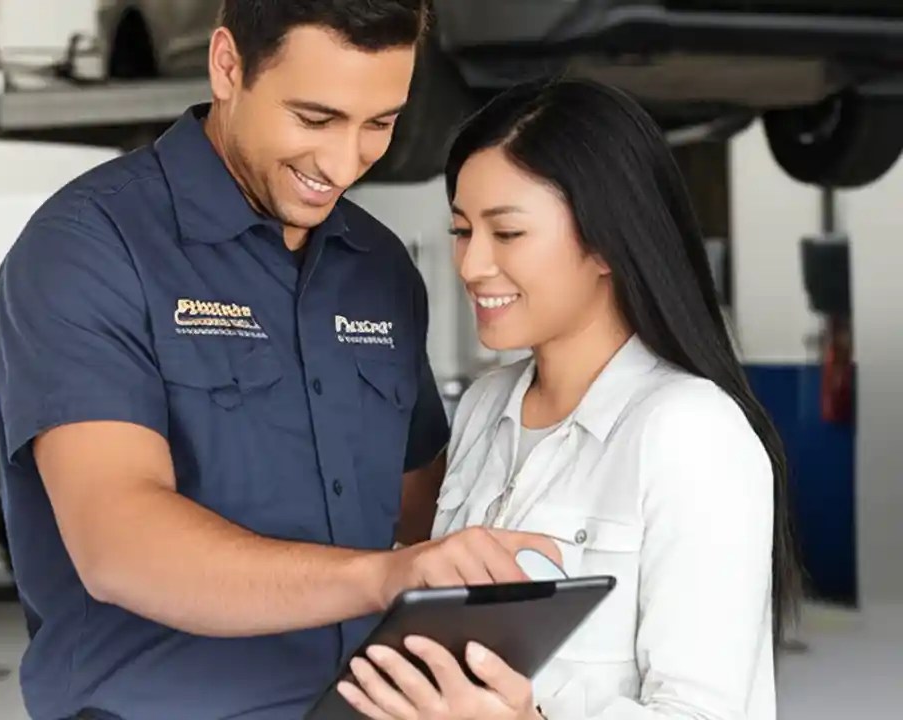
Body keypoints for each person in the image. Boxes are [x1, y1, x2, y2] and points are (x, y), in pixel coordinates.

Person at [0, 3, 559, 718]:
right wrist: (386, 577)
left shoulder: (377, 268)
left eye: (379, 123)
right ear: (228, 65)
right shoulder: (90, 250)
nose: (343, 162)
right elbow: (119, 543)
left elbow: (428, 508)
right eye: (315, 119)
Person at [337, 78, 803, 720]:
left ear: (606, 242)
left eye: (508, 234)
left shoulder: (692, 433)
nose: (471, 265)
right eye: (462, 230)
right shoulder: (483, 407)